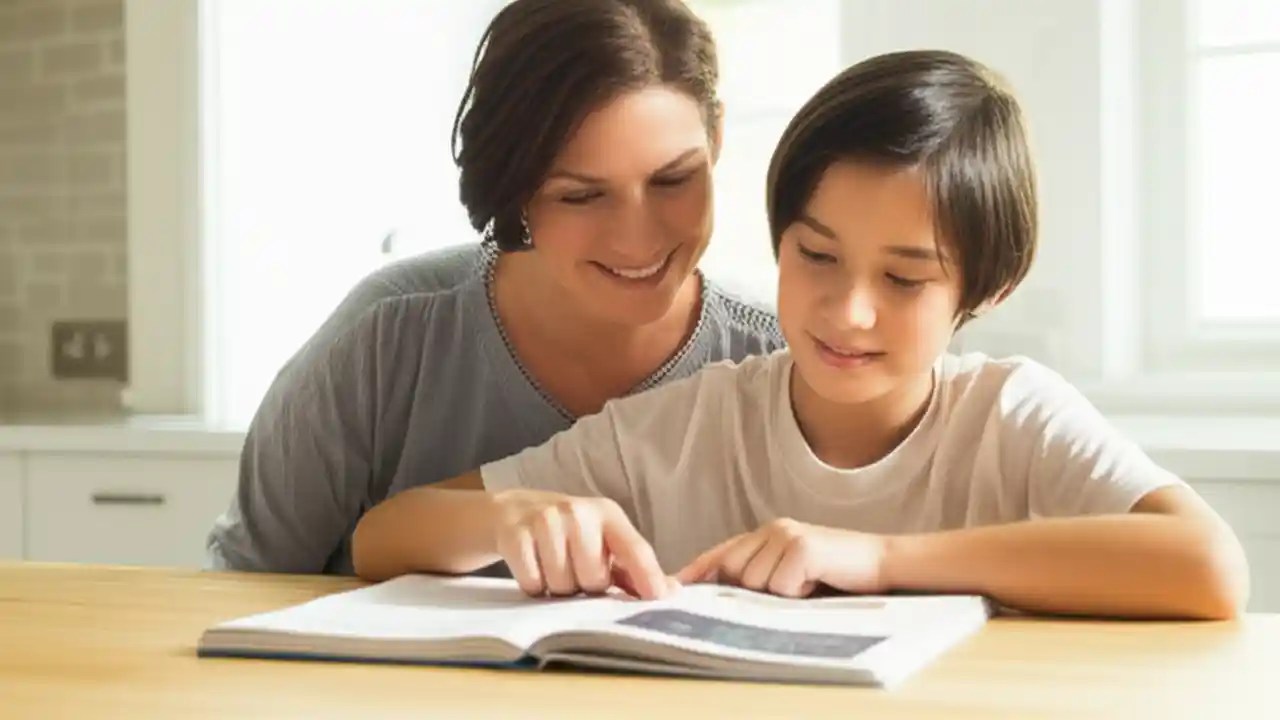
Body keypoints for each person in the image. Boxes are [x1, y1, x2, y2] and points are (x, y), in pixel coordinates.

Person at [352, 50, 1250, 620]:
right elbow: (384, 537)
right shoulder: (691, 422)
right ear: (778, 240)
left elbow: (1208, 567)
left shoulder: (1010, 417)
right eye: (816, 257)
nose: (848, 310)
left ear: (988, 283)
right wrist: (508, 516)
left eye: (904, 279)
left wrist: (882, 560)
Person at [206, 0, 784, 574]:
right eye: (581, 195)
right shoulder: (386, 339)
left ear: (717, 139)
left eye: (673, 180)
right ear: (516, 188)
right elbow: (235, 589)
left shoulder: (783, 359)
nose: (638, 239)